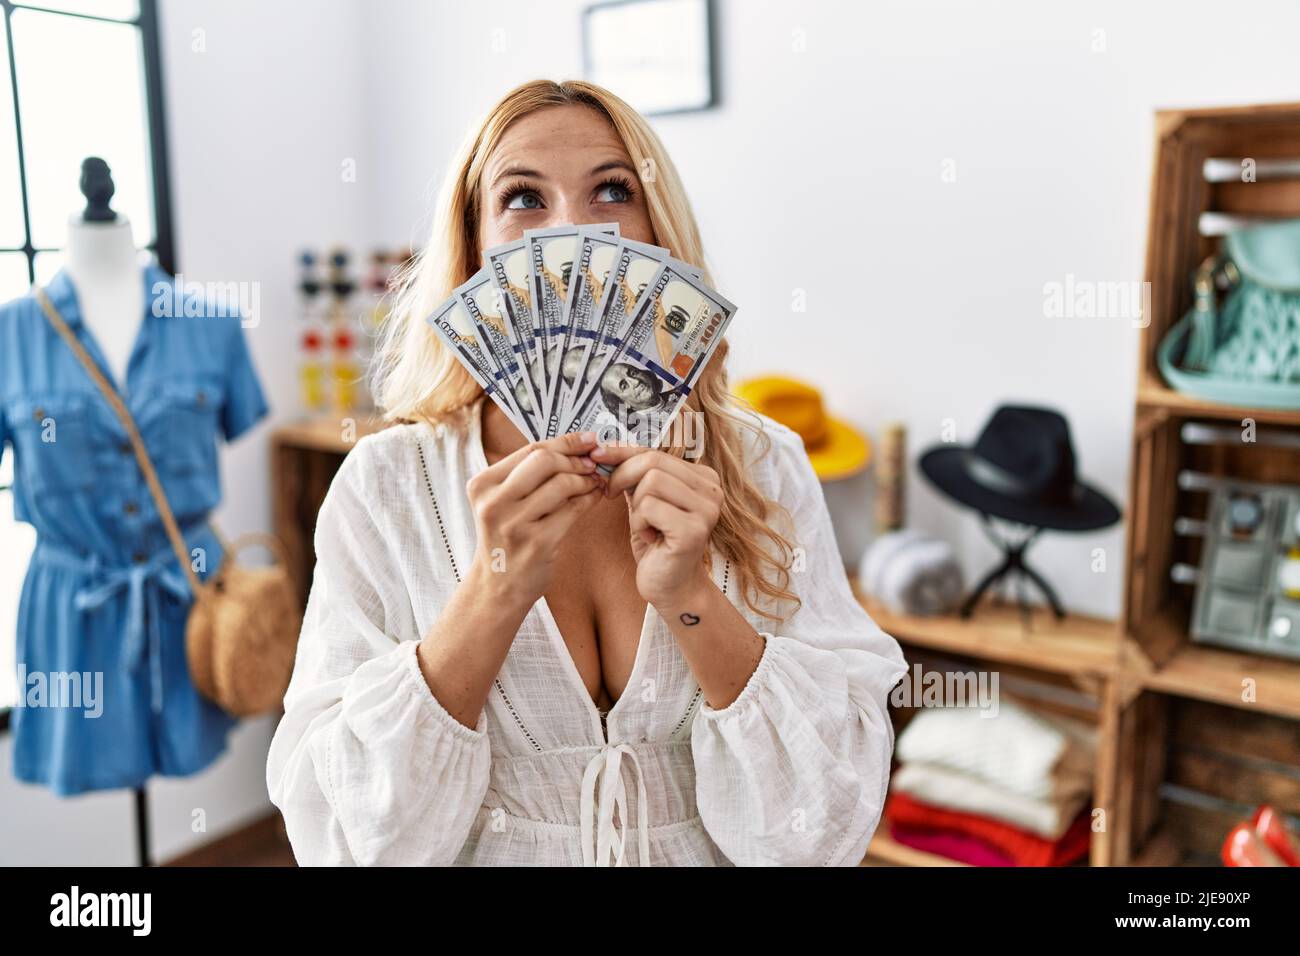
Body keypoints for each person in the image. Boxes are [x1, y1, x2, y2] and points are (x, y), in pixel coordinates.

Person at [266, 78, 906, 866]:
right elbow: (342, 835)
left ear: (660, 233)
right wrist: (494, 588)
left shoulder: (763, 463)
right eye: (524, 199)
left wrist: (691, 598)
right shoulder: (387, 486)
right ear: (474, 252)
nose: (573, 230)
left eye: (612, 189)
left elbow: (822, 827)